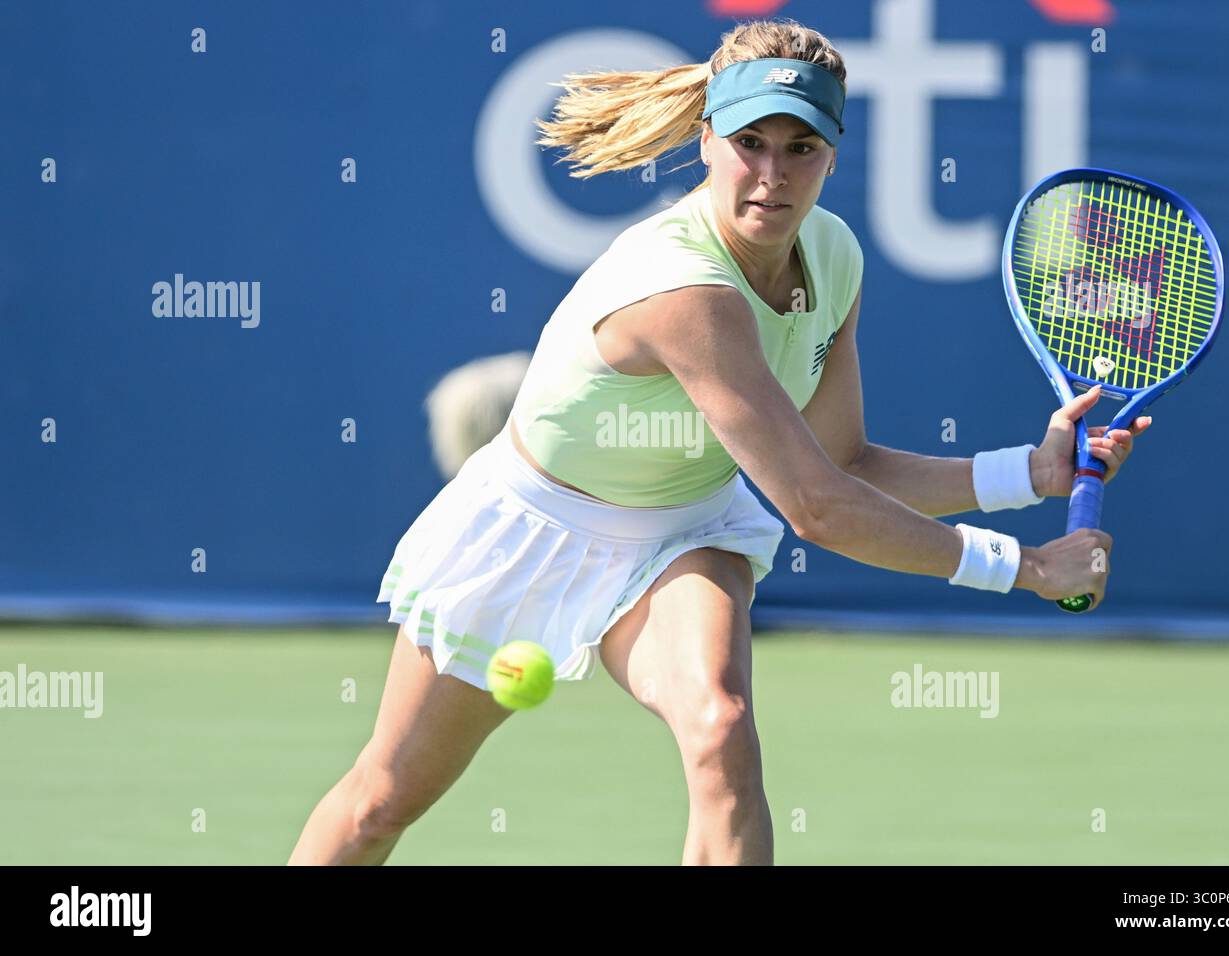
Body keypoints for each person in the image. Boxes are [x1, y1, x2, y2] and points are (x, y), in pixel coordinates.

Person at [288, 18, 1150, 866]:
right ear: (705, 142)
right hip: (530, 528)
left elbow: (845, 462)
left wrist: (1025, 475)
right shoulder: (684, 291)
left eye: (801, 148)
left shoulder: (834, 257)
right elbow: (816, 507)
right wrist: (1028, 568)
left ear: (833, 156)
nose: (773, 177)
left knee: (721, 729)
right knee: (379, 806)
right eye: (751, 144)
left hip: (684, 529)